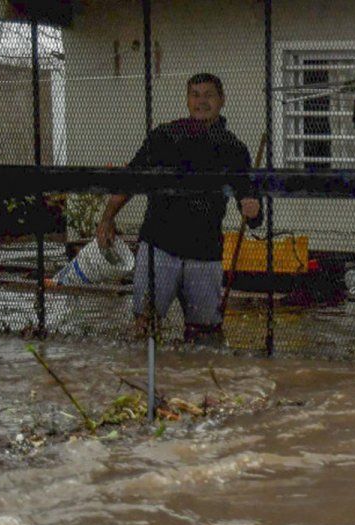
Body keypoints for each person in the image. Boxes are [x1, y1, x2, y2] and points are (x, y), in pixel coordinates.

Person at [96, 72, 261, 343]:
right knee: (144, 329)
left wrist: (253, 210)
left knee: (206, 336)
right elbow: (131, 179)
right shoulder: (164, 137)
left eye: (208, 95)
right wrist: (107, 218)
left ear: (222, 100)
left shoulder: (234, 149)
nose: (201, 101)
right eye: (195, 95)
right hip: (159, 248)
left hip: (205, 254)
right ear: (187, 101)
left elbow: (251, 206)